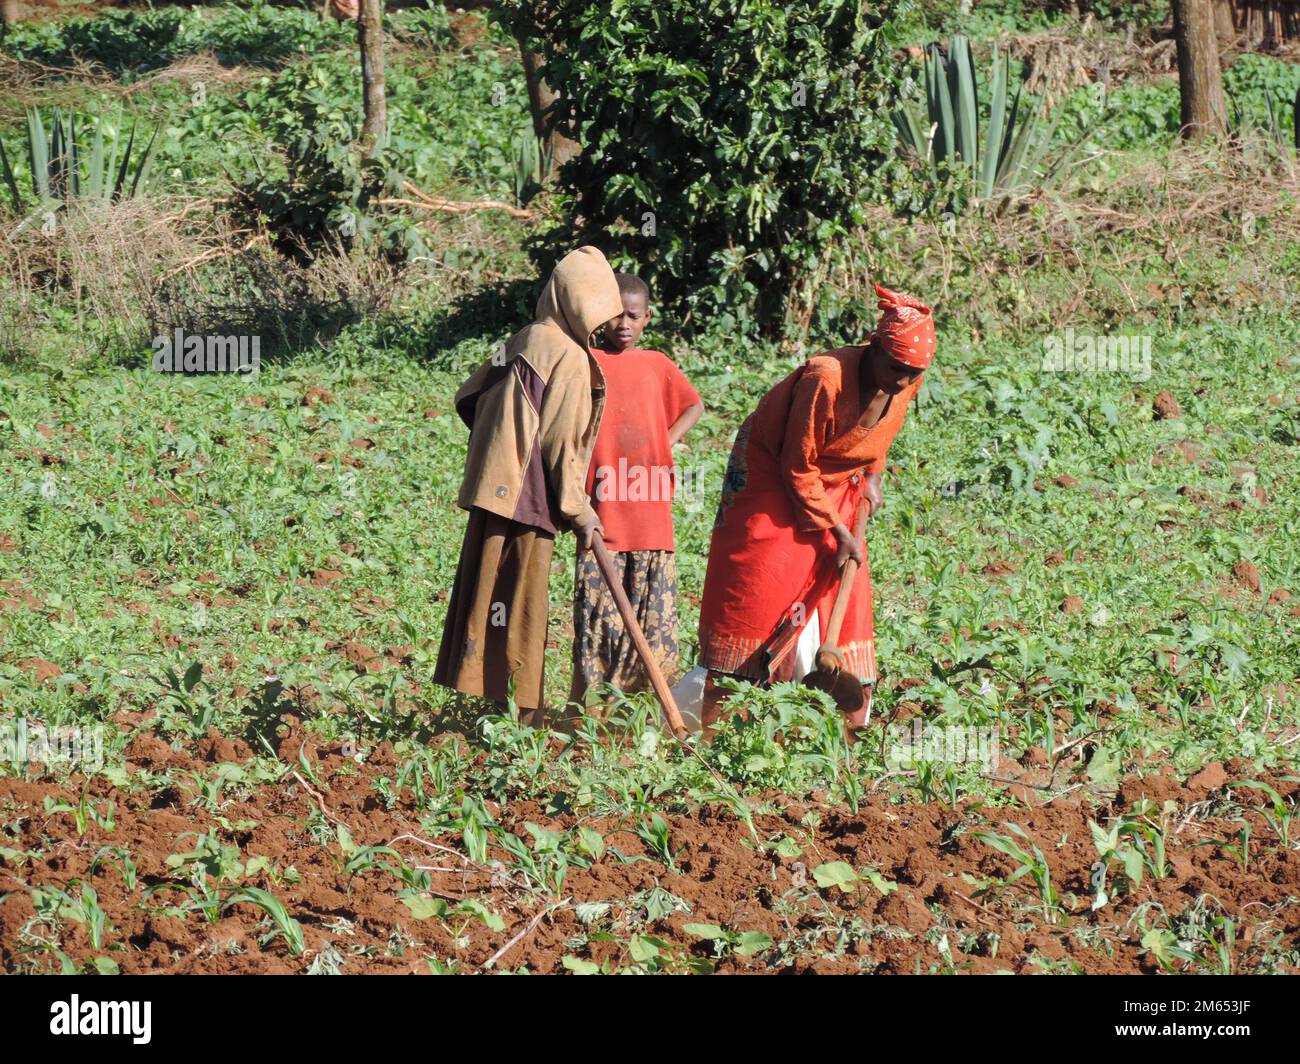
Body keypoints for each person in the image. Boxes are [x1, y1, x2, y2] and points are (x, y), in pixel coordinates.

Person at [696, 284, 936, 738]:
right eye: (895, 368)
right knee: (764, 579)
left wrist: (873, 478)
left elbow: (879, 443)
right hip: (772, 474)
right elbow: (796, 463)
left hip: (839, 479)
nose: (902, 382)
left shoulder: (908, 377)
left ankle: (830, 715)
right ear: (874, 346)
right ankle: (726, 724)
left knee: (839, 579)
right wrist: (835, 529)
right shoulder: (826, 377)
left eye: (912, 373)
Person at [434, 246, 623, 727]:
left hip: (494, 492)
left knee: (487, 597)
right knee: (521, 606)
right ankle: (521, 715)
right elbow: (562, 442)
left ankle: (490, 703)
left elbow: (468, 396)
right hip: (529, 498)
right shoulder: (570, 357)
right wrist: (579, 510)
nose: (602, 327)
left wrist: (497, 449)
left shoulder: (524, 337)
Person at [570, 273, 704, 710]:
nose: (623, 325)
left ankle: (648, 708)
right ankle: (596, 712)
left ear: (647, 318)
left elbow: (693, 405)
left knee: (653, 609)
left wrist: (665, 440)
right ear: (600, 317)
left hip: (649, 505)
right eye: (615, 316)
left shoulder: (657, 364)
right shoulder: (585, 362)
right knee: (600, 611)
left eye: (633, 316)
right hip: (603, 505)